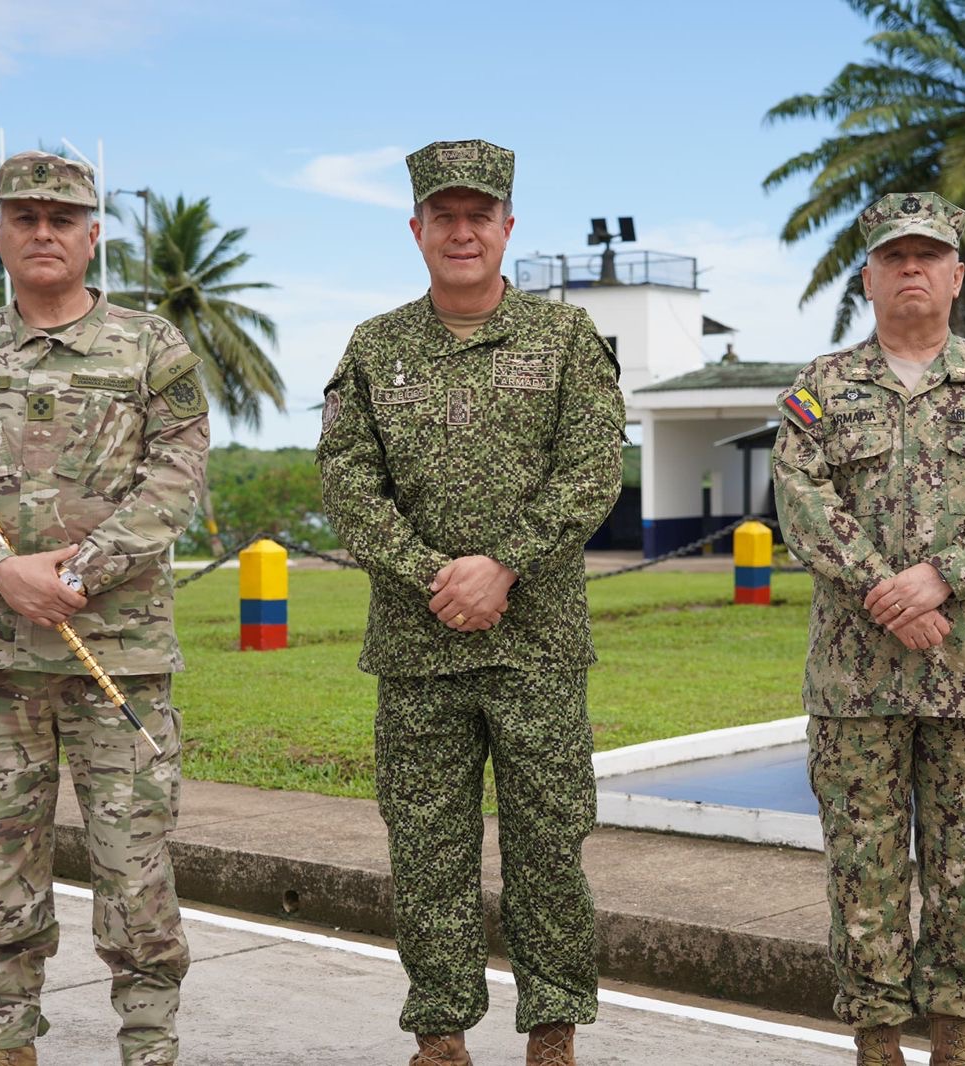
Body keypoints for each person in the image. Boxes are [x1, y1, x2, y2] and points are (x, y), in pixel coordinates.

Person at [0, 151, 209, 1066]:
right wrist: (1, 571)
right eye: (24, 217)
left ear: (91, 235)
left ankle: (148, 1047)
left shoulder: (154, 348)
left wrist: (80, 574)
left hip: (122, 659)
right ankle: (7, 1042)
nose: (43, 233)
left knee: (136, 867)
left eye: (61, 219)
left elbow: (176, 478)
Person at [316, 139, 625, 1066]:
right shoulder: (375, 347)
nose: (462, 231)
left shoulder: (565, 338)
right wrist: (430, 574)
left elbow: (593, 468)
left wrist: (505, 566)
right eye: (443, 217)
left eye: (478, 216)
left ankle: (554, 1035)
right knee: (426, 851)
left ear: (507, 228)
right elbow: (346, 480)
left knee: (549, 848)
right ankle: (441, 1036)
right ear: (416, 230)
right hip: (418, 652)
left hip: (537, 646)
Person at [771, 192, 965, 1066]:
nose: (911, 269)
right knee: (863, 871)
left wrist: (940, 574)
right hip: (856, 685)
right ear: (867, 275)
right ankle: (876, 1044)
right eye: (893, 256)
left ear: (956, 274)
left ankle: (958, 1043)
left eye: (928, 256)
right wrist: (885, 590)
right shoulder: (819, 389)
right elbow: (801, 499)